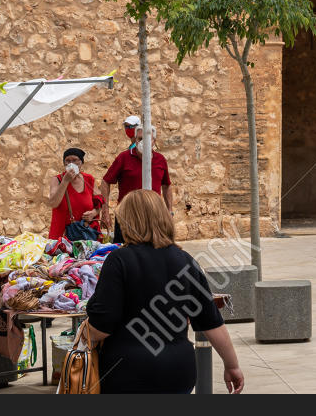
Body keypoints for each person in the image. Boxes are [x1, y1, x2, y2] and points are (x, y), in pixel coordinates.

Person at [85, 190, 243, 394]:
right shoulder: (186, 261)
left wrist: (82, 335)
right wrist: (232, 365)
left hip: (127, 370)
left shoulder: (118, 260)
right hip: (178, 369)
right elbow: (211, 322)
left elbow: (102, 327)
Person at [103, 115, 173, 242]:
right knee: (125, 249)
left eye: (147, 139)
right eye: (140, 139)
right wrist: (105, 210)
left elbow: (167, 185)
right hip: (127, 215)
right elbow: (106, 181)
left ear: (154, 141)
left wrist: (169, 211)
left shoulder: (160, 160)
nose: (143, 142)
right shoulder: (124, 158)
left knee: (153, 248)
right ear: (135, 140)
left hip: (153, 215)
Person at [46, 147, 104, 240]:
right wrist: (65, 181)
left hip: (86, 234)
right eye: (67, 161)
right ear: (64, 163)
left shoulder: (89, 179)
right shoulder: (57, 180)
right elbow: (53, 203)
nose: (71, 163)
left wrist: (93, 213)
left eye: (75, 160)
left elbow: (99, 202)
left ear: (81, 162)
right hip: (62, 235)